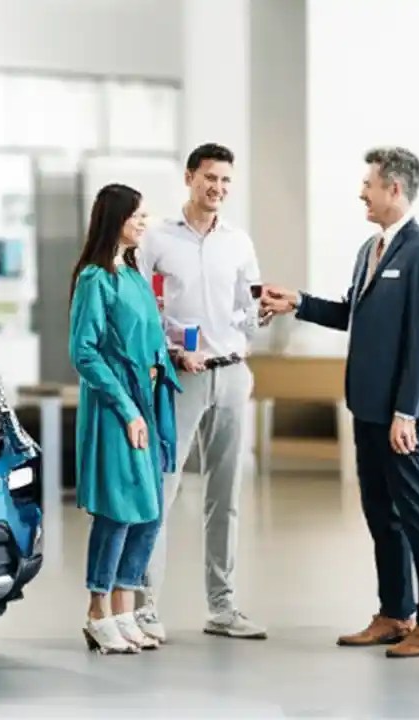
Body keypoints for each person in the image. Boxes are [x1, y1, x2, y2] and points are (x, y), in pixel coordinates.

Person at [261, 146, 419, 657]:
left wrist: (406, 412)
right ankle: (395, 612)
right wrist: (297, 303)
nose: (361, 192)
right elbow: (353, 313)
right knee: (379, 513)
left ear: (395, 188)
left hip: (400, 415)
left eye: (368, 184)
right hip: (366, 408)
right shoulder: (371, 248)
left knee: (418, 515)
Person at [133, 143, 268, 642]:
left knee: (225, 494)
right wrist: (165, 354)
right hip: (178, 375)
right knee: (162, 490)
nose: (218, 188)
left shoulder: (239, 242)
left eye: (226, 181)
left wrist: (260, 316)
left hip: (232, 373)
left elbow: (247, 307)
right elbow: (141, 311)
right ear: (190, 177)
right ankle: (144, 607)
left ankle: (223, 605)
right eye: (210, 178)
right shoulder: (157, 240)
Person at [68, 183, 182, 654]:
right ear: (115, 218)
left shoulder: (134, 275)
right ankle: (98, 611)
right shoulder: (96, 279)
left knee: (151, 509)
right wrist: (127, 407)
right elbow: (84, 351)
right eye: (137, 215)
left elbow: (150, 339)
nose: (144, 221)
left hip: (150, 401)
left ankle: (125, 605)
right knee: (119, 509)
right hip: (119, 406)